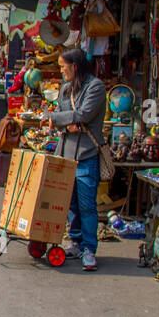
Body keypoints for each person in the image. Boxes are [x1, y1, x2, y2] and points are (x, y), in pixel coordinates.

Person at [48, 47, 106, 271]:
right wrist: (67, 123)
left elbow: (83, 115)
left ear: (75, 66)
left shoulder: (96, 87)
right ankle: (75, 242)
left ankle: (89, 249)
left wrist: (58, 119)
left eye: (64, 67)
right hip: (66, 154)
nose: (61, 71)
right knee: (70, 204)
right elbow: (70, 118)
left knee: (87, 205)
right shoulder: (65, 90)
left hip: (86, 154)